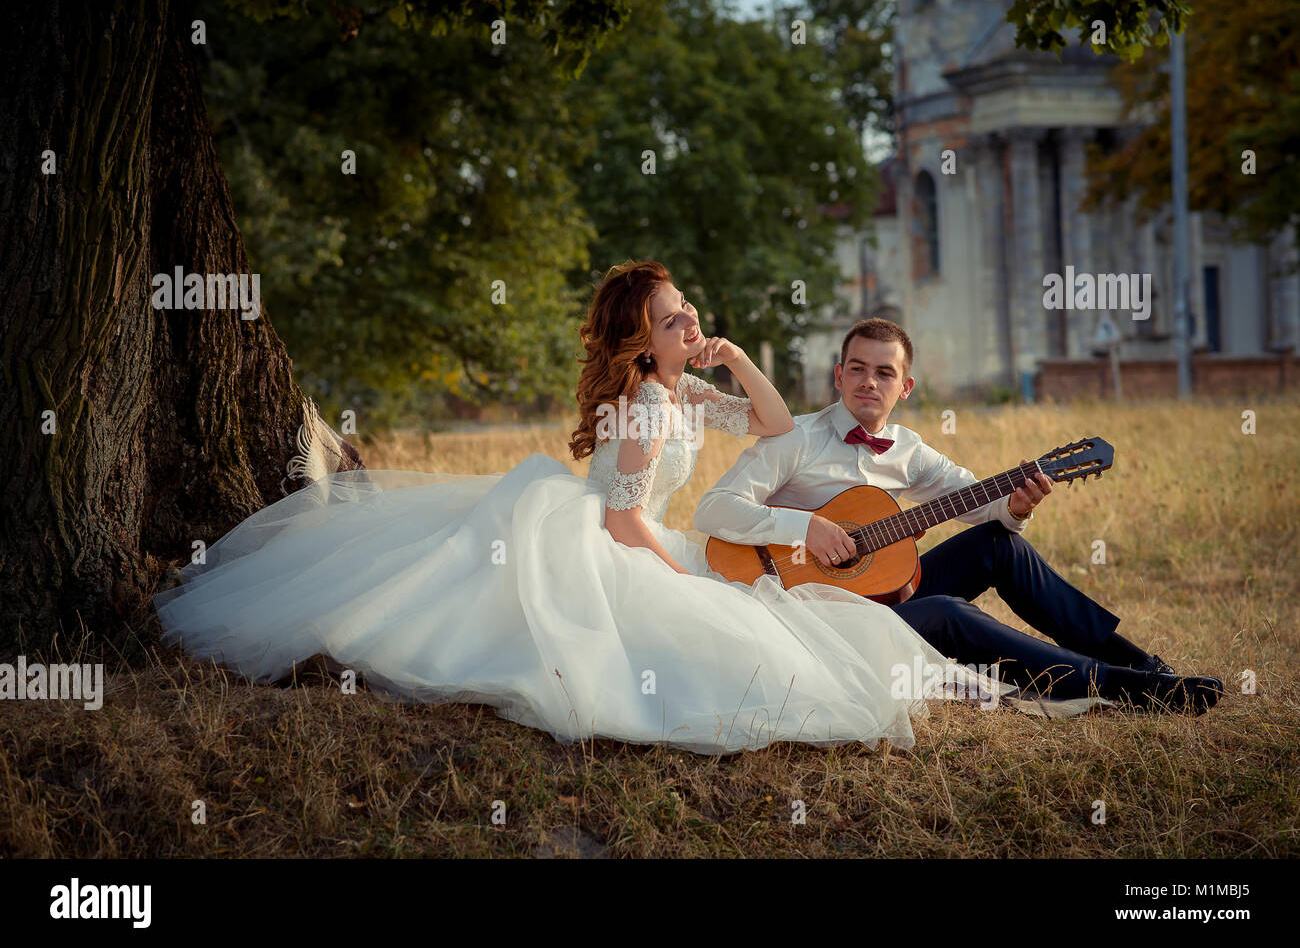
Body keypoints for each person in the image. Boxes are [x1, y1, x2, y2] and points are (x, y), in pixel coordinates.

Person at [153, 262, 1021, 757]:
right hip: (610, 533)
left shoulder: (681, 396)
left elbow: (775, 422)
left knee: (756, 608)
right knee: (718, 624)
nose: (691, 323)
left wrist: (731, 355)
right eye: (675, 319)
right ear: (643, 339)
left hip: (638, 523)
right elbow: (618, 520)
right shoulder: (645, 404)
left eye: (690, 311)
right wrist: (683, 572)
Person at [694, 317, 1224, 715]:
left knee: (1000, 543)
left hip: (883, 603)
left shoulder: (910, 450)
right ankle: (1114, 686)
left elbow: (973, 495)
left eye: (885, 373)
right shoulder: (795, 439)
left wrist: (1015, 506)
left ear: (906, 388)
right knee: (946, 612)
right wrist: (805, 525)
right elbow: (714, 508)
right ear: (838, 375)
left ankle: (1140, 664)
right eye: (857, 369)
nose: (868, 382)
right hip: (813, 622)